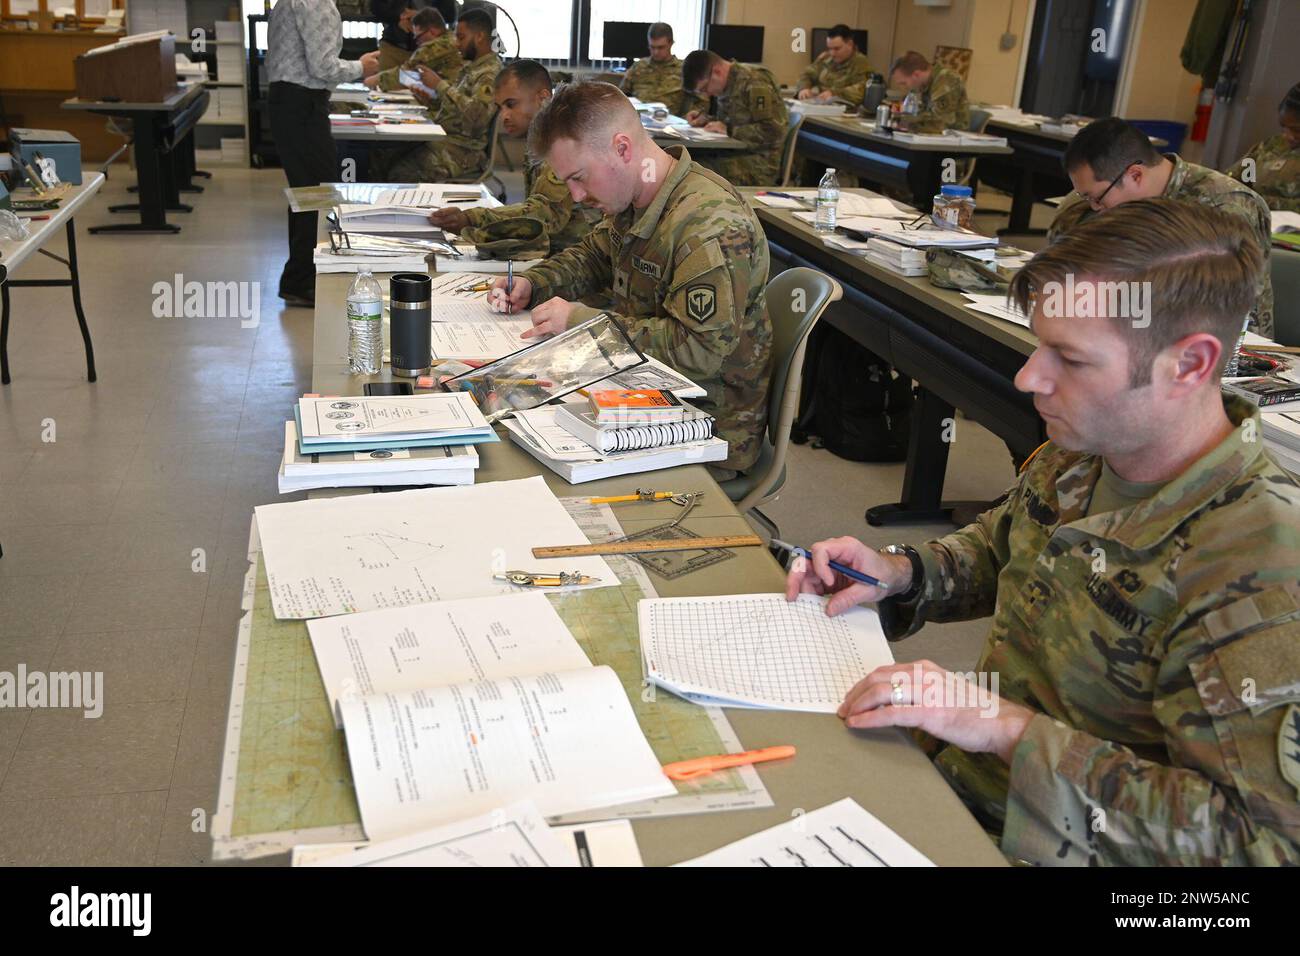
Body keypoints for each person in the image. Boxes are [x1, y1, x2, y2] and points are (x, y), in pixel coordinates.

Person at [786, 199, 1300, 866]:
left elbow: (1258, 846)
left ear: (1191, 365)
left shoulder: (1262, 562)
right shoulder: (1086, 450)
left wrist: (1006, 730)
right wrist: (899, 573)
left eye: (1071, 359)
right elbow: (1004, 549)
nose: (1030, 378)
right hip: (967, 786)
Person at [486, 82, 773, 478]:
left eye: (579, 178)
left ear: (622, 149)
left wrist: (582, 323)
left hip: (704, 427)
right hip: (639, 390)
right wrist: (535, 283)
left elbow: (698, 352)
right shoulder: (637, 196)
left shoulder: (709, 225)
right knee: (502, 419)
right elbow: (593, 257)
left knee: (518, 467)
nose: (573, 195)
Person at [1050, 116, 1274, 338]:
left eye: (1097, 198)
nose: (1095, 207)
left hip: (1222, 351)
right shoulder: (1102, 196)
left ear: (1135, 175)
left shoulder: (1223, 207)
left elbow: (1228, 310)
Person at [268, 0, 380, 306]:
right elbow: (323, 66)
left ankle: (299, 277)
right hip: (301, 104)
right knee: (318, 195)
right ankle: (302, 281)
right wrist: (362, 66)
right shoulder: (315, 3)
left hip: (290, 102)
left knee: (307, 194)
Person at [428, 60, 601, 256]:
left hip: (580, 258)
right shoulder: (540, 138)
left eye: (511, 104)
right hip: (554, 248)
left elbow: (545, 214)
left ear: (543, 98)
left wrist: (472, 218)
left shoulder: (564, 142)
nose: (504, 116)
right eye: (500, 107)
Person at [370, 6, 501, 182]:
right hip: (447, 138)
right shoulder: (473, 67)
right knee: (380, 155)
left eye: (461, 37)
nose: (456, 43)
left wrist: (439, 85)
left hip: (464, 151)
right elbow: (456, 109)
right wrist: (430, 98)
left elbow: (477, 118)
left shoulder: (489, 74)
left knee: (401, 173)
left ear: (479, 37)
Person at [680, 49, 787, 187]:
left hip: (759, 164)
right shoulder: (727, 84)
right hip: (732, 154)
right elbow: (733, 120)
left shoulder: (754, 81)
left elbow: (774, 132)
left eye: (705, 88)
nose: (707, 95)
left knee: (693, 171)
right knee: (682, 162)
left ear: (717, 71)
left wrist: (730, 130)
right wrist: (706, 120)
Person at [1228, 82, 1300, 213]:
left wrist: (1257, 201)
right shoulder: (1271, 146)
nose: (1288, 136)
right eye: (1283, 127)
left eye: (1296, 130)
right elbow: (1238, 179)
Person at [619, 21, 706, 118]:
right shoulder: (638, 67)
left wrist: (691, 117)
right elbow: (620, 96)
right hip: (639, 121)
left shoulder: (684, 69)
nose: (656, 52)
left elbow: (702, 101)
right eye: (652, 47)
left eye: (661, 47)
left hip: (672, 123)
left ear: (671, 43)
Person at [366, 7, 462, 92]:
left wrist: (373, 80)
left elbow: (405, 73)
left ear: (433, 31)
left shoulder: (435, 47)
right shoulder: (452, 39)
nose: (417, 42)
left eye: (418, 37)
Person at [888, 50, 969, 133]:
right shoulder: (926, 84)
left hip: (951, 139)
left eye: (904, 83)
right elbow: (923, 116)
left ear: (916, 74)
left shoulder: (945, 80)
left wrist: (907, 126)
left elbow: (940, 124)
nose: (903, 88)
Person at [796, 24, 872, 104]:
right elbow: (807, 74)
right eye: (830, 48)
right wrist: (804, 88)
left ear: (850, 44)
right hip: (823, 108)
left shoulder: (861, 63)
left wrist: (834, 93)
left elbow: (861, 90)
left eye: (837, 48)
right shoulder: (826, 58)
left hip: (846, 112)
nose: (832, 53)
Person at [371, 0, 420, 71]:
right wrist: (398, 18)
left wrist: (421, 16)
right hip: (391, 47)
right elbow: (376, 7)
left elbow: (441, 11)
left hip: (427, 50)